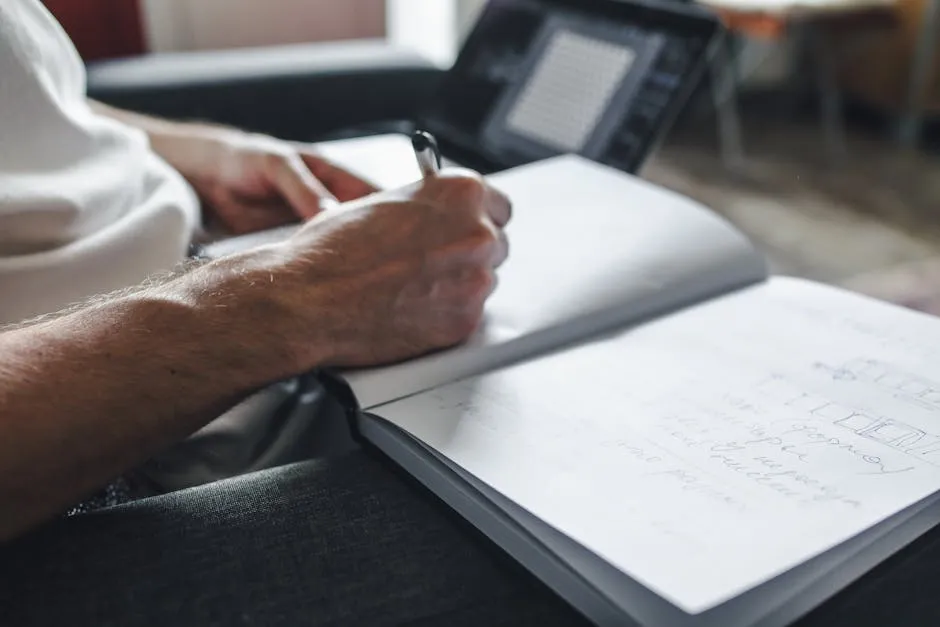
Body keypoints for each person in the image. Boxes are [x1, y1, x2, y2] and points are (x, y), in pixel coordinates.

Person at [0, 1, 594, 625]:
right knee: (582, 551)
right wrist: (300, 296)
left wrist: (199, 153)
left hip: (214, 276)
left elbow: (34, 104)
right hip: (105, 460)